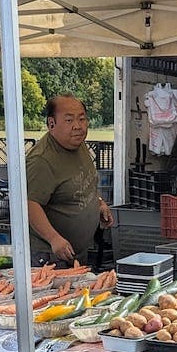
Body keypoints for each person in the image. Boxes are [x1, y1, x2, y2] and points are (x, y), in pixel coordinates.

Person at [26, 95, 113, 265]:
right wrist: (54, 239)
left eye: (82, 119)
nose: (78, 126)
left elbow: (84, 181)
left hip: (77, 251)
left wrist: (99, 203)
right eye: (69, 120)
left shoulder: (78, 144)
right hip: (51, 255)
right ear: (52, 124)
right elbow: (29, 204)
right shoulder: (41, 160)